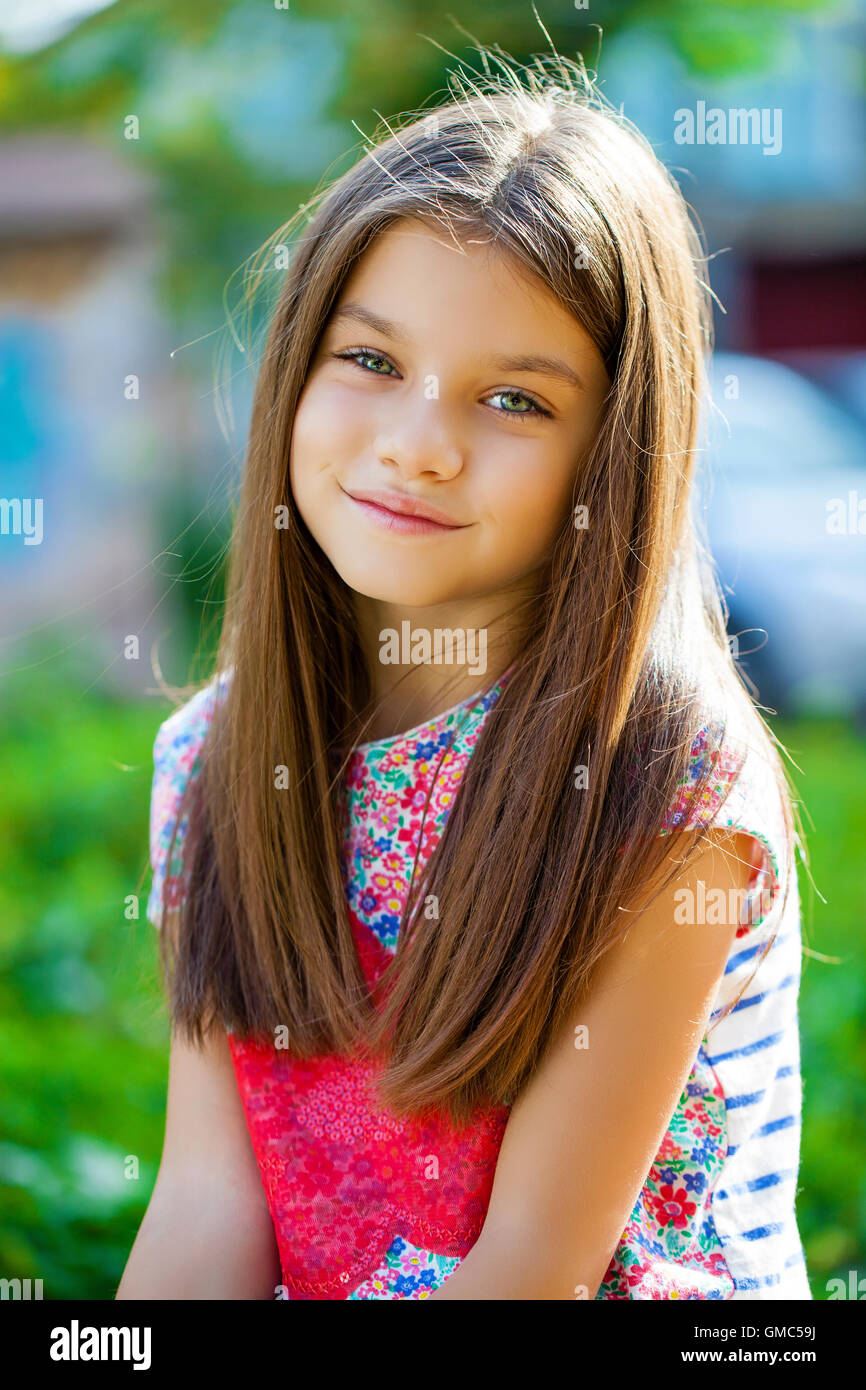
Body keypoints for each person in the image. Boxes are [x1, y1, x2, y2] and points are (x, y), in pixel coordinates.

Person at [117, 49, 810, 1301]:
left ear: (614, 452)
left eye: (513, 400)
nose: (419, 446)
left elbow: (532, 1271)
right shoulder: (215, 766)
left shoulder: (665, 781)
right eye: (370, 362)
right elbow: (204, 1210)